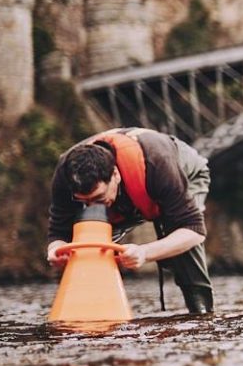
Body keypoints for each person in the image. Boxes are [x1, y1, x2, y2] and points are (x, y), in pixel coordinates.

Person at [47, 128, 214, 313]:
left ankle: (201, 314)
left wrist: (145, 252)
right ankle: (90, 316)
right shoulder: (66, 174)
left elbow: (194, 231)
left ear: (115, 175)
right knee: (87, 248)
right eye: (84, 201)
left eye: (99, 198)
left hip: (185, 174)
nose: (94, 207)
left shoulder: (157, 164)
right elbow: (58, 231)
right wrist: (56, 249)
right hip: (128, 197)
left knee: (184, 252)